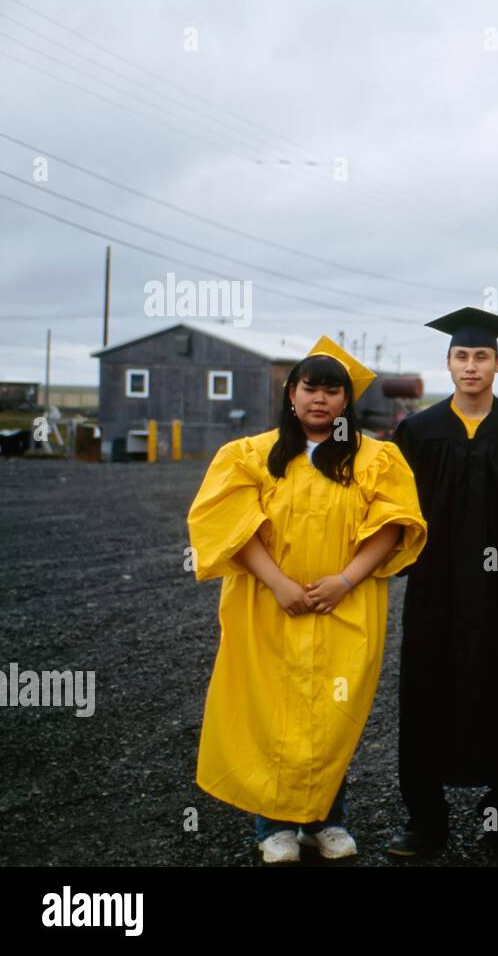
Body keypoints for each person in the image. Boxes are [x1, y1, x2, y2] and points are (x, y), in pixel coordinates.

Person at [187, 335, 426, 864]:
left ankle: (325, 821)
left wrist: (345, 580)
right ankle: (272, 825)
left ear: (347, 401)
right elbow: (230, 525)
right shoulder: (248, 456)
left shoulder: (376, 459)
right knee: (270, 711)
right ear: (291, 393)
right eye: (309, 388)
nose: (320, 399)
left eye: (332, 390)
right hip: (266, 604)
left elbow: (392, 527)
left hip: (345, 604)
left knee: (331, 715)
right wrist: (277, 582)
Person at [389, 307, 498, 862]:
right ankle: (424, 822)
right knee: (426, 688)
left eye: (482, 356)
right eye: (462, 355)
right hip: (435, 586)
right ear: (448, 363)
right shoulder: (417, 431)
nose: (472, 365)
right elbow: (401, 511)